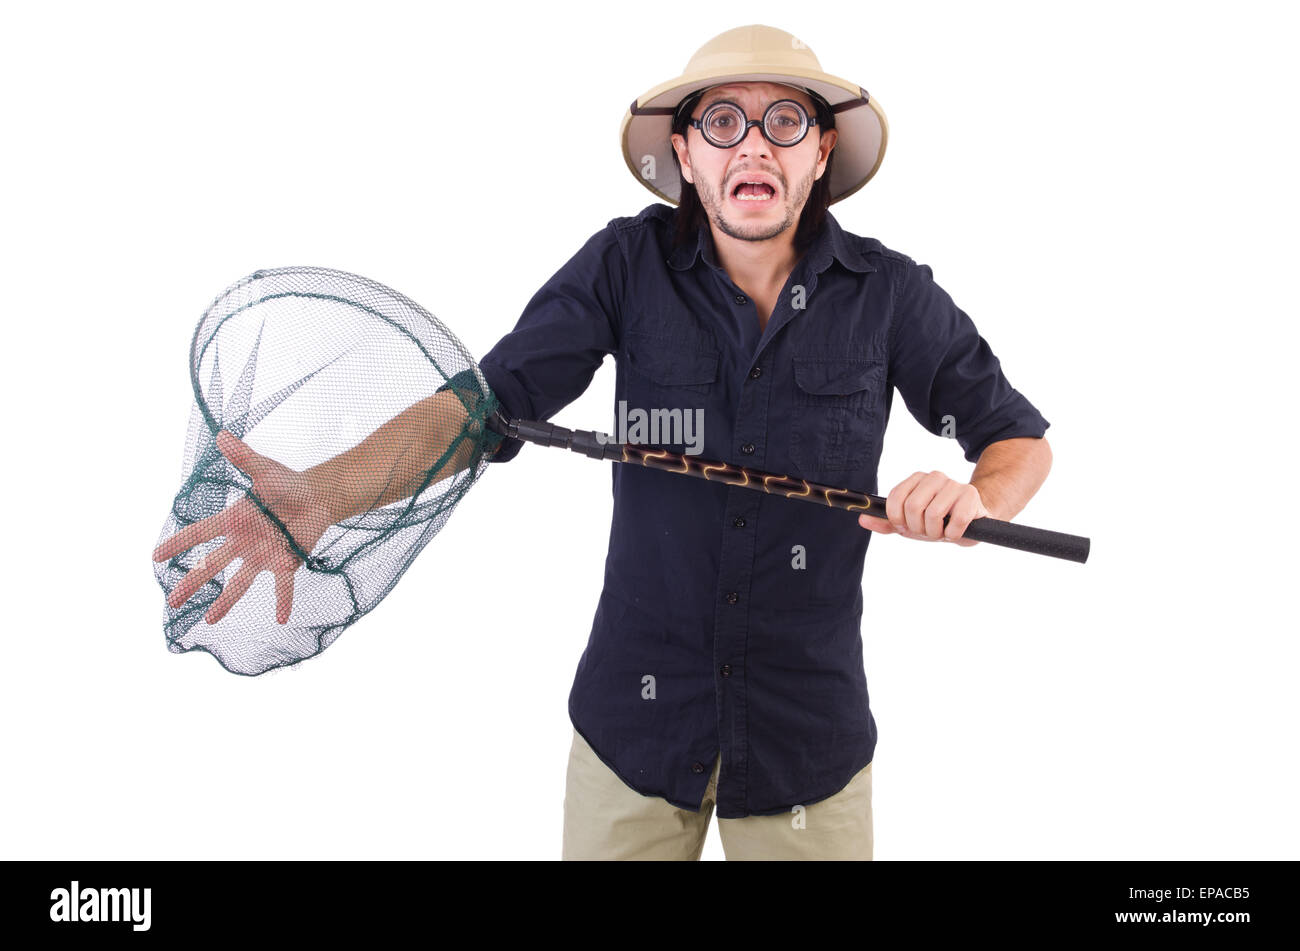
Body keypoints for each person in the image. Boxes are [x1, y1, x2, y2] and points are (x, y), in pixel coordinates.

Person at [155, 23, 1053, 860]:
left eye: (785, 121)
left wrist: (982, 496)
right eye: (723, 121)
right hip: (635, 727)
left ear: (819, 153)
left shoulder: (894, 295)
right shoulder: (624, 266)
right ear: (689, 156)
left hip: (807, 742)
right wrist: (322, 494)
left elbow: (1017, 438)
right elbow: (484, 408)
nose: (754, 142)